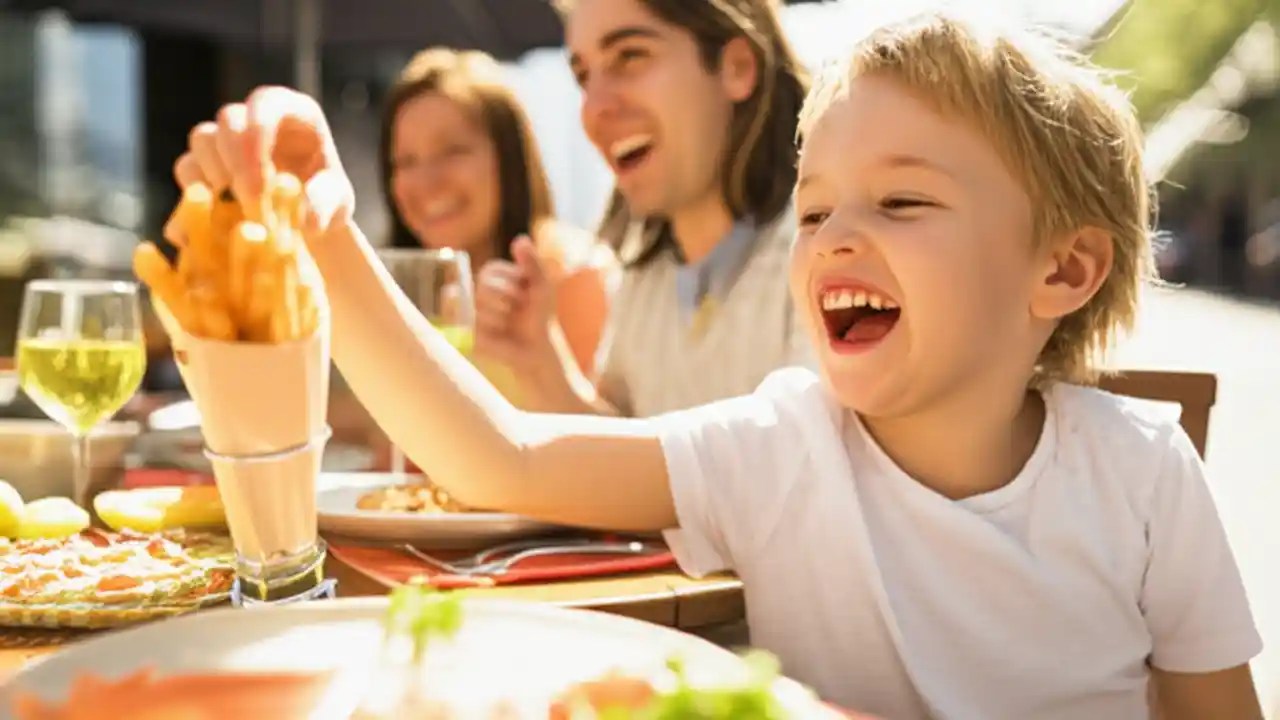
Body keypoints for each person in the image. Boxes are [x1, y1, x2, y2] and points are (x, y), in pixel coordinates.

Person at [171, 6, 1263, 718]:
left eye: (900, 201)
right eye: (817, 207)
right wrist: (322, 229)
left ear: (1062, 271)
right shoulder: (775, 443)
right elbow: (492, 454)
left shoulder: (1144, 472)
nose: (833, 237)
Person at [472, 0, 813, 417]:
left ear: (737, 67)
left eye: (630, 56)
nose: (593, 111)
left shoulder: (822, 257)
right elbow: (621, 451)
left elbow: (799, 470)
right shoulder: (643, 279)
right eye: (583, 77)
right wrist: (539, 363)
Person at [329, 47, 615, 462]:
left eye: (453, 151)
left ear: (509, 156)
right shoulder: (408, 285)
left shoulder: (568, 270)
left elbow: (596, 453)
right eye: (404, 160)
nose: (426, 181)